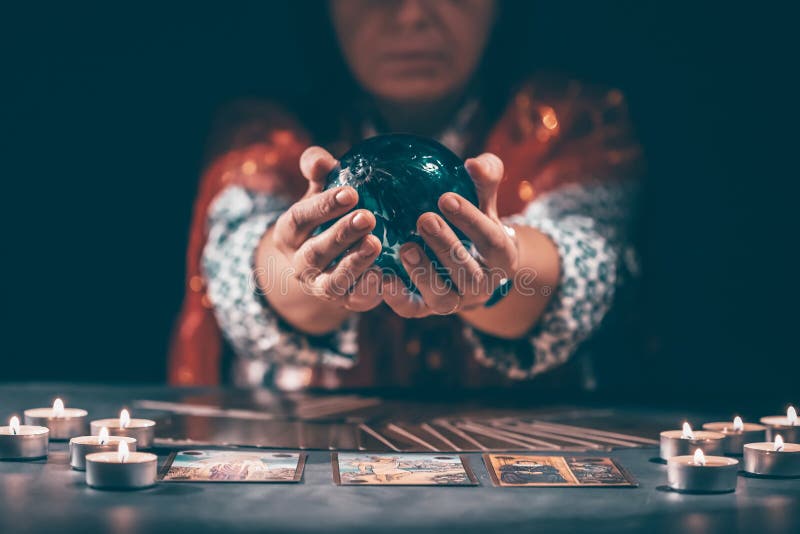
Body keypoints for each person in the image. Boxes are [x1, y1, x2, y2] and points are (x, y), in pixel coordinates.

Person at [169, 0, 643, 390]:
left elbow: (585, 270)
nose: (412, 14)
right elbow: (239, 276)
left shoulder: (575, 123)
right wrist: (307, 268)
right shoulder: (261, 138)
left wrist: (499, 273)